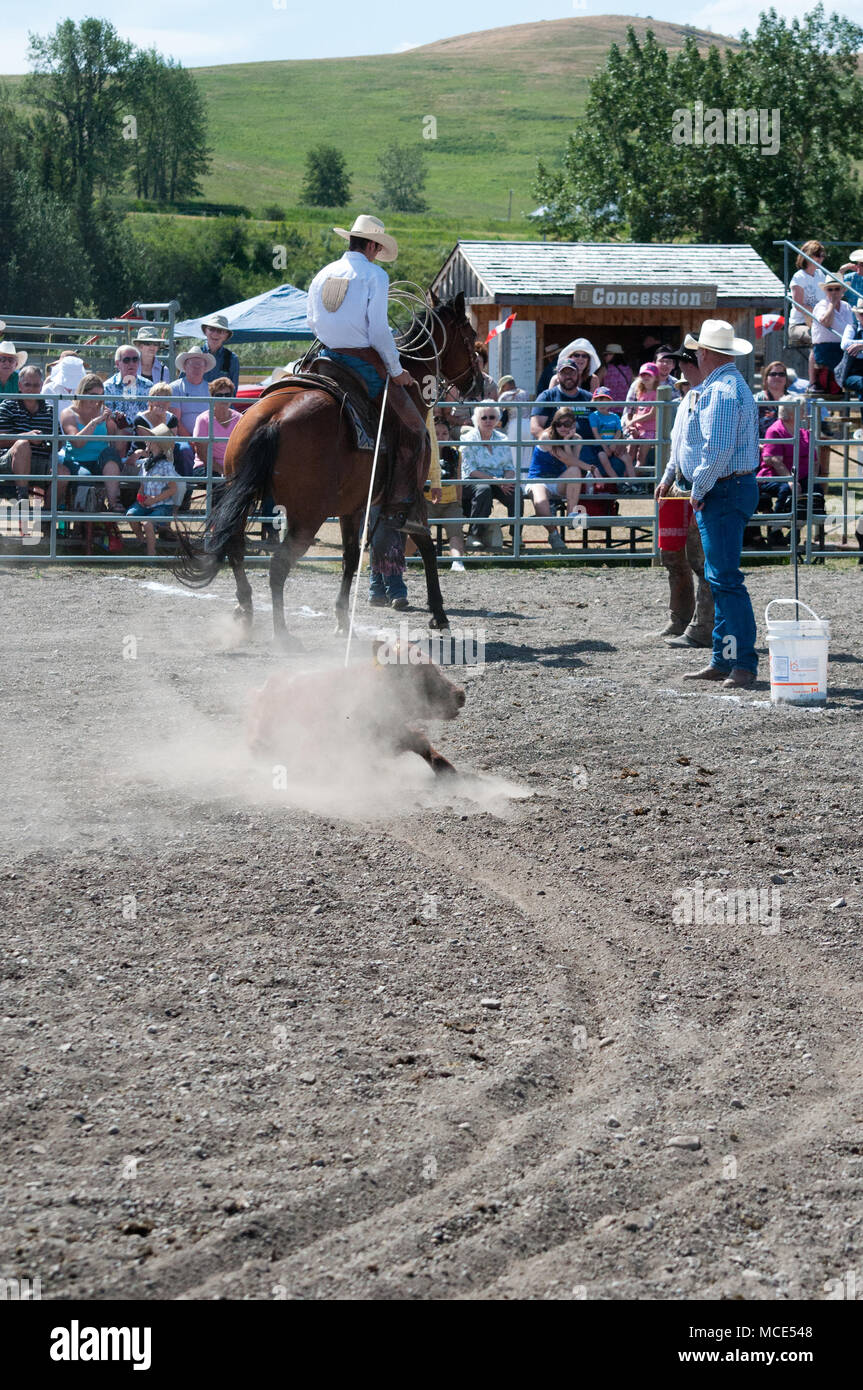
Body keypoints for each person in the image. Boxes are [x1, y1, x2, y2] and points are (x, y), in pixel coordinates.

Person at [306, 212, 425, 521]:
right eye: (378, 250)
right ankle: (401, 498)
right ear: (372, 246)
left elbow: (311, 322)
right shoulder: (375, 276)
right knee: (413, 427)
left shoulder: (322, 273)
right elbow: (379, 332)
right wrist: (397, 370)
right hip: (361, 362)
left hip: (324, 357)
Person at [670, 320, 760, 690]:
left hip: (723, 489)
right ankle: (724, 658)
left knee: (725, 579)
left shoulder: (721, 391)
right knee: (720, 578)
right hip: (730, 488)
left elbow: (717, 449)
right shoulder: (728, 386)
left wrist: (698, 488)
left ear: (704, 353)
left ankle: (742, 662)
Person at [654, 341, 714, 649]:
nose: (679, 367)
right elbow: (677, 444)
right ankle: (679, 616)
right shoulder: (689, 397)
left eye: (683, 362)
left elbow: (708, 448)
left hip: (697, 486)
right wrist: (667, 476)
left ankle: (702, 624)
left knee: (700, 559)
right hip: (679, 484)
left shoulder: (711, 398)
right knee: (672, 553)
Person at [0, 365, 66, 506]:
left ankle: (47, 517)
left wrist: (44, 441)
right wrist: (26, 436)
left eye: (36, 385)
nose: (31, 388)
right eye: (27, 384)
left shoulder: (50, 410)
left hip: (41, 460)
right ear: (20, 385)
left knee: (64, 473)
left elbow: (59, 443)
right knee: (23, 444)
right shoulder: (7, 406)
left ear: (42, 385)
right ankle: (23, 498)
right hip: (9, 463)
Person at [758, 401, 822, 546]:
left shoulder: (804, 432)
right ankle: (776, 528)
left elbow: (815, 461)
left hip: (802, 476)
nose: (805, 412)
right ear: (791, 413)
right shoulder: (775, 430)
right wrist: (791, 480)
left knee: (816, 491)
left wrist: (812, 479)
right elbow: (773, 460)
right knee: (787, 490)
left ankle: (796, 529)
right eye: (802, 409)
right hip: (775, 477)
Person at [59, 374, 124, 510]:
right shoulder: (68, 413)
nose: (96, 399)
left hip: (100, 462)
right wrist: (94, 422)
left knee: (111, 454)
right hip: (76, 461)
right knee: (85, 477)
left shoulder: (104, 413)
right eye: (93, 394)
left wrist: (120, 426)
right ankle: (81, 522)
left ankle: (113, 503)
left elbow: (117, 447)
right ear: (82, 392)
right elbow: (78, 443)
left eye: (100, 395)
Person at [524, 406, 585, 551]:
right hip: (538, 479)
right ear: (554, 424)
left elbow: (573, 464)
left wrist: (568, 441)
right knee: (541, 503)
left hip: (558, 480)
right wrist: (566, 440)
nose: (563, 427)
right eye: (559, 424)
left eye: (567, 424)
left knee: (575, 471)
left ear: (573, 425)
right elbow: (568, 460)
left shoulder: (577, 439)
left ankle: (571, 515)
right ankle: (554, 534)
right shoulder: (546, 436)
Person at [460, 403, 515, 553]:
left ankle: (516, 535)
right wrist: (496, 481)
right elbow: (470, 470)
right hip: (474, 480)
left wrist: (507, 480)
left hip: (498, 481)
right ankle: (474, 535)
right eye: (484, 417)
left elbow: (509, 468)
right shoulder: (467, 438)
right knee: (484, 489)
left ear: (497, 419)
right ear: (477, 419)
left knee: (514, 492)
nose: (488, 420)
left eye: (492, 417)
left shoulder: (503, 439)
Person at [126, 424, 181, 556]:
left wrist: (154, 500)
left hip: (162, 505)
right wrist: (140, 496)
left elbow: (173, 488)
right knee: (130, 516)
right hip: (148, 503)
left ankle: (151, 554)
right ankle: (143, 541)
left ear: (157, 443)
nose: (147, 440)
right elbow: (143, 485)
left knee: (147, 523)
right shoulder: (146, 464)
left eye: (150, 438)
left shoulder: (165, 466)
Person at [169, 345, 216, 476]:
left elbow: (214, 418)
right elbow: (175, 420)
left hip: (206, 438)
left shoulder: (211, 389)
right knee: (184, 450)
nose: (196, 368)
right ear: (185, 367)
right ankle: (187, 489)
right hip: (182, 437)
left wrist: (202, 441)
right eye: (192, 364)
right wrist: (192, 441)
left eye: (200, 364)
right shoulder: (175, 387)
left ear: (205, 368)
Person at [192, 377, 241, 480]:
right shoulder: (203, 419)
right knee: (220, 485)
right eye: (219, 395)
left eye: (227, 395)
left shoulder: (240, 419)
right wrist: (222, 471)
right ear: (212, 397)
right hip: (206, 466)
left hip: (233, 468)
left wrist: (234, 470)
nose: (224, 399)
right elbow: (201, 453)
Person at [101, 345, 154, 432]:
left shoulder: (148, 386)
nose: (132, 363)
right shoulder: (108, 387)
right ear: (118, 364)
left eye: (135, 359)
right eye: (127, 360)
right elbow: (106, 414)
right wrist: (116, 417)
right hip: (118, 433)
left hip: (142, 433)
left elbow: (152, 413)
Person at [788, 240, 826, 349]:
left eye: (822, 255)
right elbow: (798, 306)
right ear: (807, 256)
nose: (821, 258)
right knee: (817, 337)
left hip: (818, 323)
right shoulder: (799, 277)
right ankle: (815, 366)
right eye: (817, 255)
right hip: (798, 325)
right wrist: (820, 314)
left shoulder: (820, 275)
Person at [622, 362, 660, 470]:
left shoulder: (657, 393)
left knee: (641, 457)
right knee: (630, 453)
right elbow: (636, 411)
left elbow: (652, 414)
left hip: (649, 430)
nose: (646, 377)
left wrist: (632, 422)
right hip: (637, 428)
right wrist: (632, 425)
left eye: (649, 375)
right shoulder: (640, 392)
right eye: (643, 375)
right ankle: (628, 479)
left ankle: (637, 482)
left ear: (655, 377)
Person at [200, 314, 240, 392]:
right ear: (205, 331)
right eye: (211, 329)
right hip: (196, 403)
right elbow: (182, 384)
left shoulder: (232, 359)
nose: (215, 333)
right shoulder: (194, 355)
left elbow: (233, 392)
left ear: (226, 335)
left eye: (220, 331)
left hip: (221, 403)